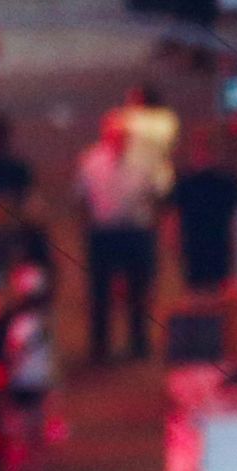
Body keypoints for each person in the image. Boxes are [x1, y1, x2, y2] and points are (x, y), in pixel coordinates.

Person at [77, 110, 160, 365]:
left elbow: (154, 195)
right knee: (100, 293)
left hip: (135, 232)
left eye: (123, 135)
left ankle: (138, 341)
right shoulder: (91, 161)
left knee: (138, 289)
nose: (119, 139)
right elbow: (80, 199)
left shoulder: (143, 162)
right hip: (104, 233)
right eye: (114, 134)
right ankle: (101, 345)